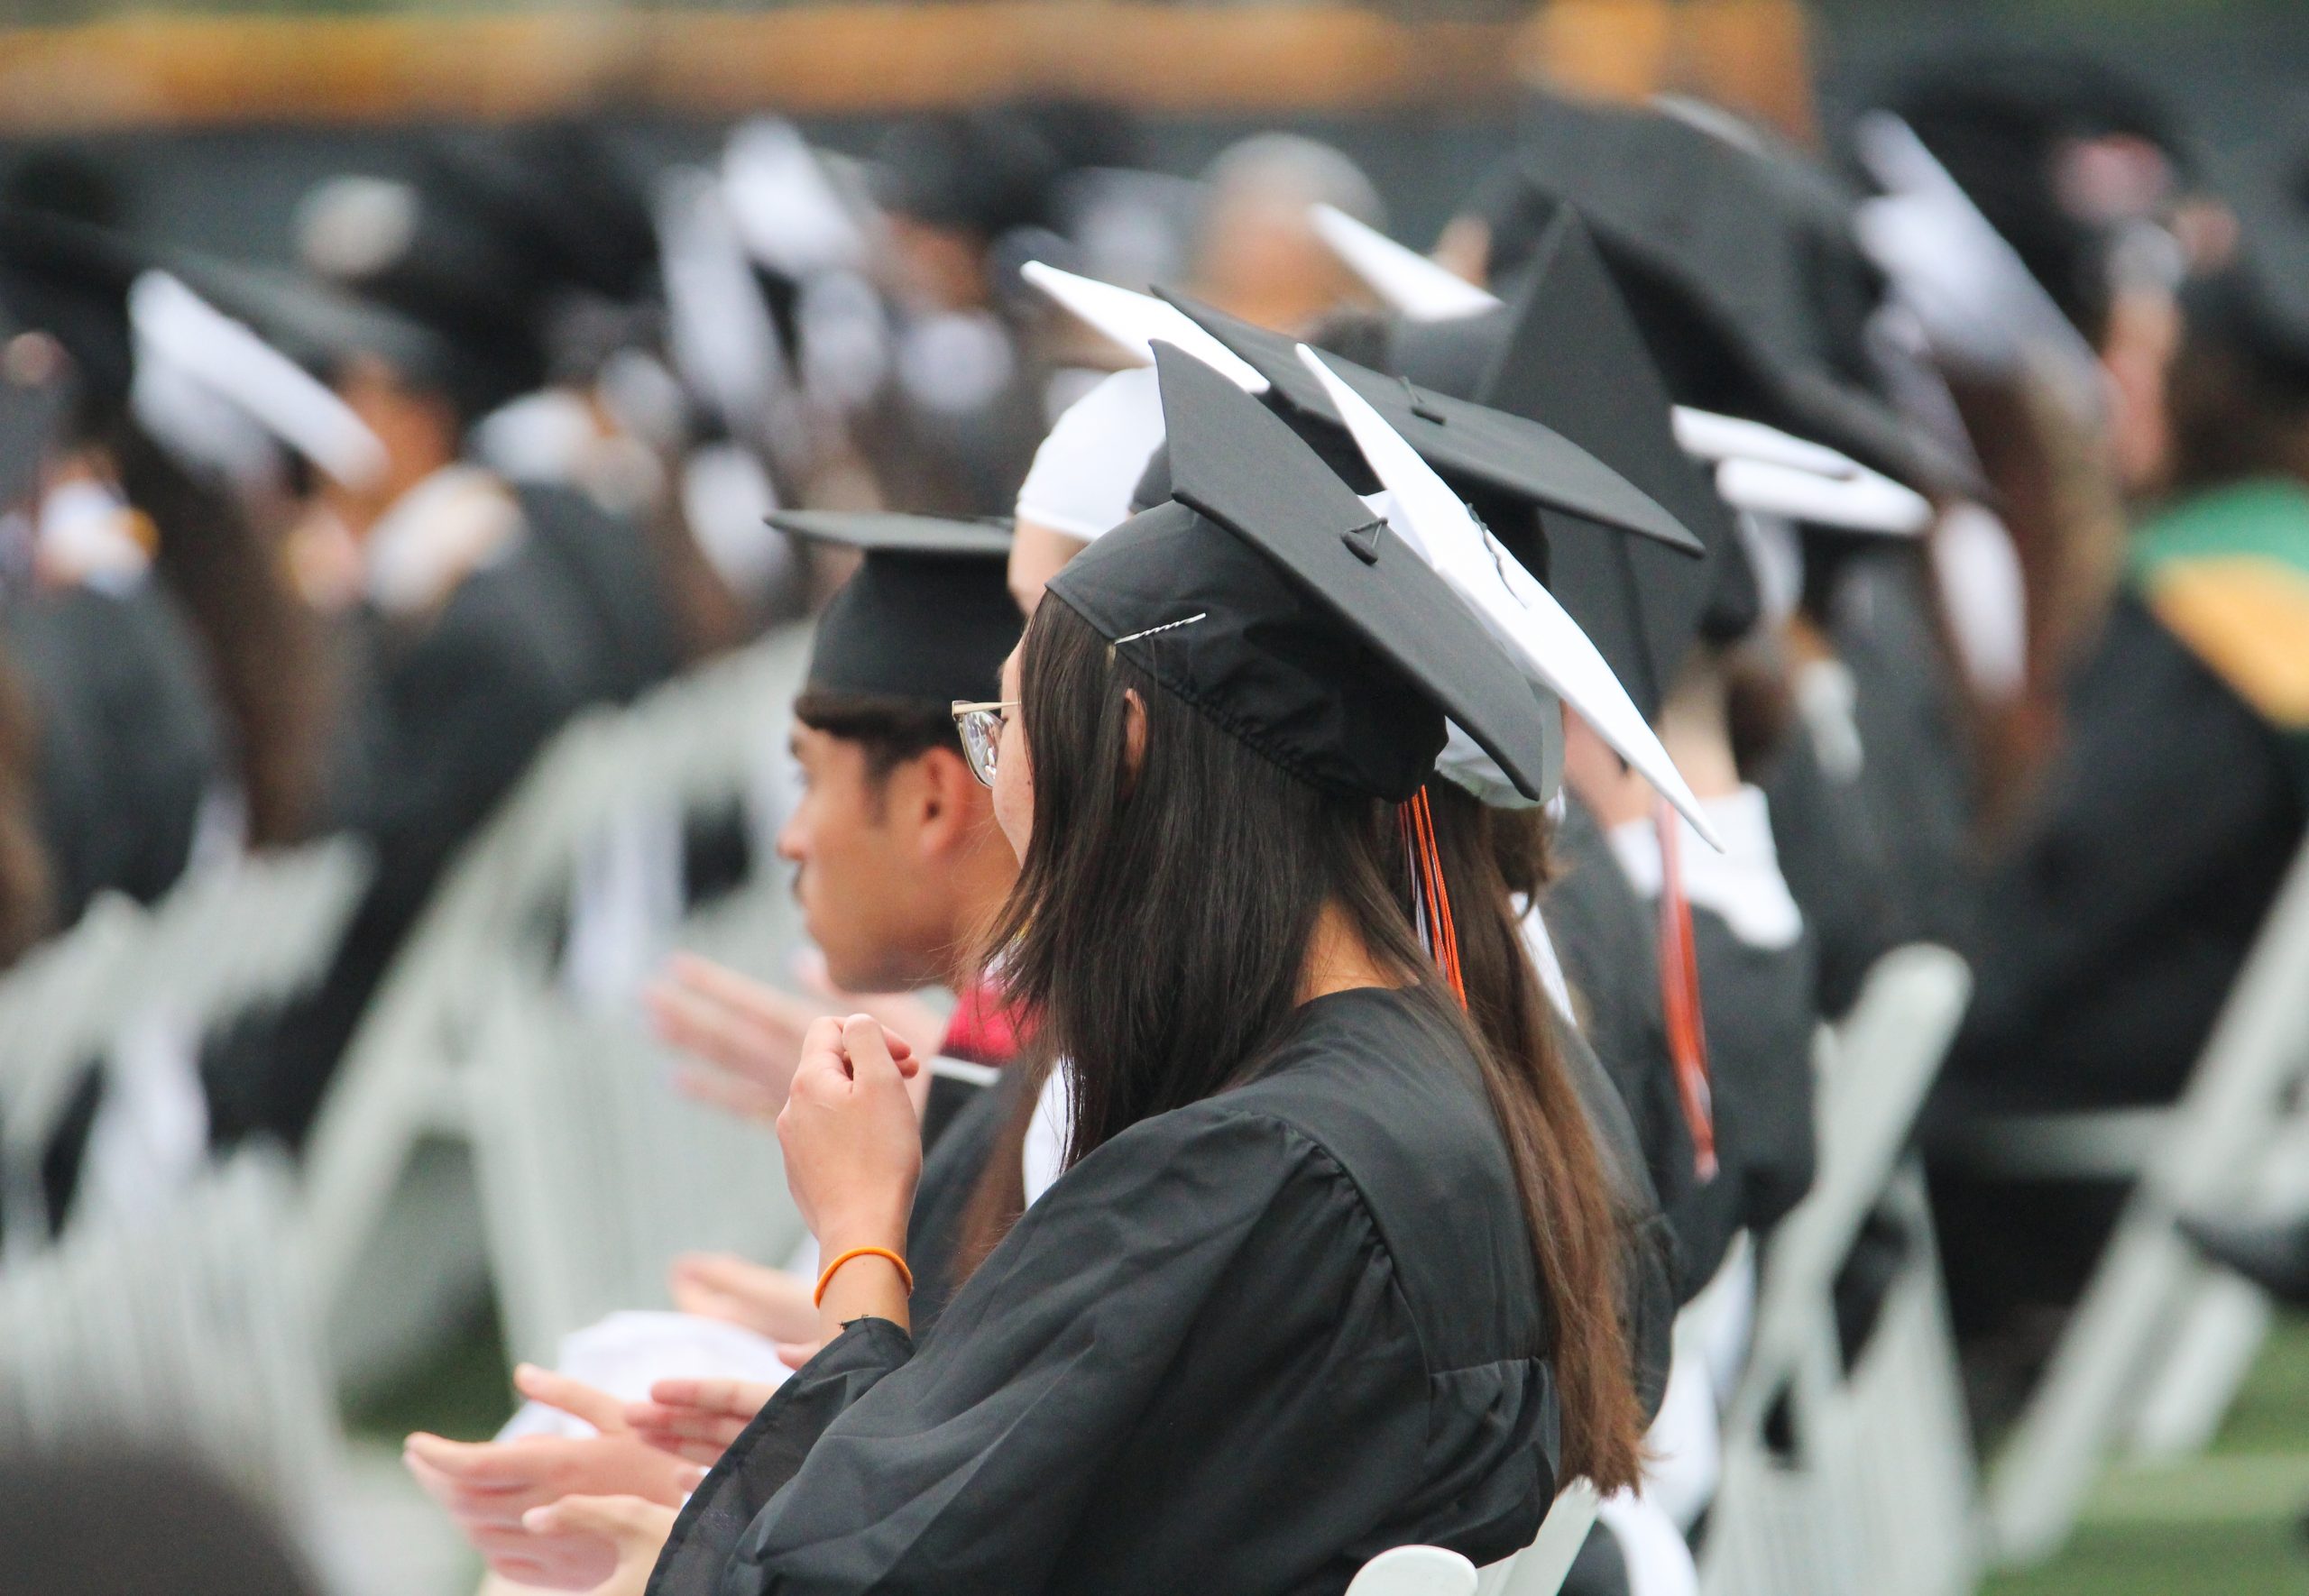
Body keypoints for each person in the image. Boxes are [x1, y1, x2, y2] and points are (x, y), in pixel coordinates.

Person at [406, 511, 1028, 1590]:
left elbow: (981, 1492)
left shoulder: (1087, 1081)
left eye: (809, 779)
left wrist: (711, 1505)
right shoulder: (1041, 1052)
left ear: (932, 796)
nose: (791, 836)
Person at [1927, 150, 2309, 1370]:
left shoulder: (2220, 601)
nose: (2108, 388)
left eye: (2146, 360)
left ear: (2215, 389)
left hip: (2123, 1080)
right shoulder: (2277, 565)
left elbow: (2079, 887)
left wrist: (1934, 992)